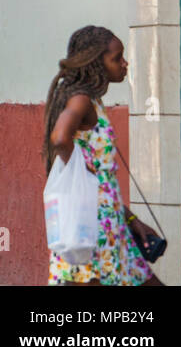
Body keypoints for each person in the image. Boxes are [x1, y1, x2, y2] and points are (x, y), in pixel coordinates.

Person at [45, 26, 161, 286]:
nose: (124, 63)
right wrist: (80, 173)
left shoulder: (93, 101)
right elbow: (60, 138)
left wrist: (131, 219)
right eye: (117, 58)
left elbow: (103, 179)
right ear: (97, 63)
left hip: (110, 222)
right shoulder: (81, 99)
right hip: (92, 225)